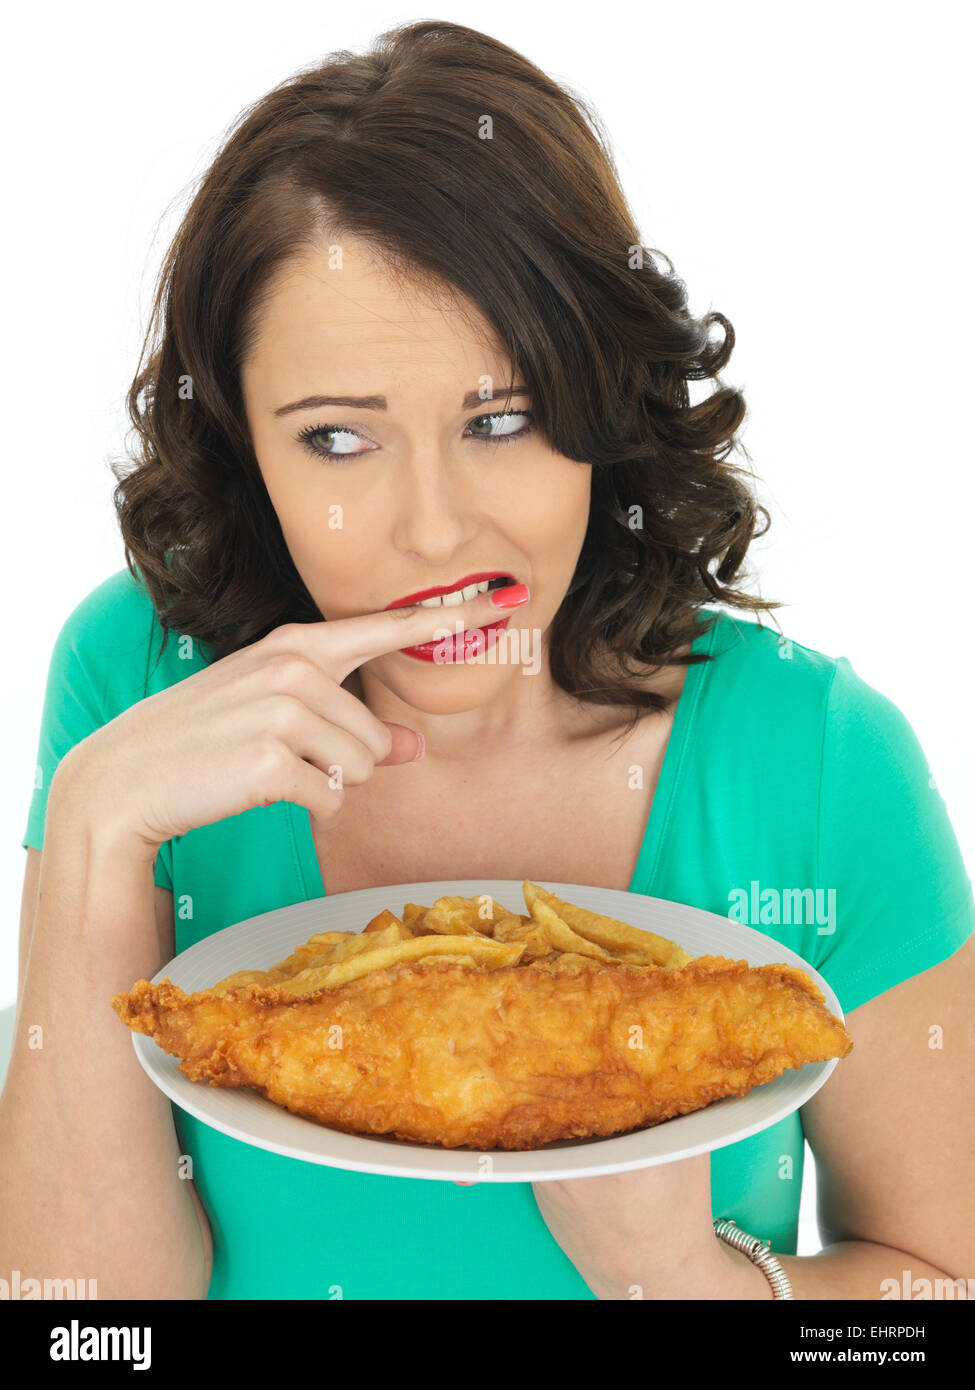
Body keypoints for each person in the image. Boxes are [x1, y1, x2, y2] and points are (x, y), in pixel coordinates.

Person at [3, 20, 973, 1301]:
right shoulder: (136, 675)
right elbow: (86, 1338)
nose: (437, 530)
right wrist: (92, 833)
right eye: (338, 440)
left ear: (602, 409)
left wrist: (688, 1280)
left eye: (501, 418)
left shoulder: (819, 759)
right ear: (245, 450)